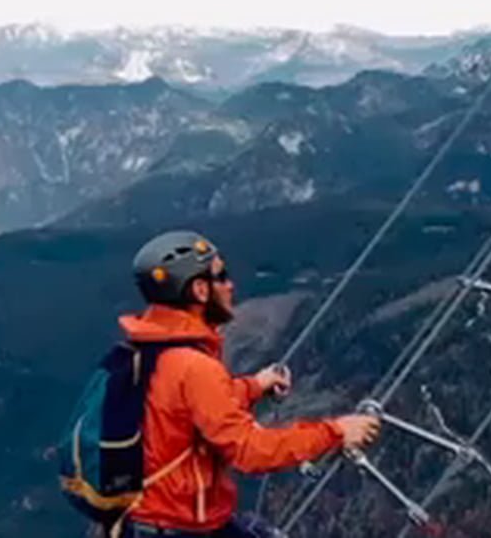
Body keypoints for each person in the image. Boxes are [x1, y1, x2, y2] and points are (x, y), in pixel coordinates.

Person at [119, 230, 380, 537]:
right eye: (221, 276)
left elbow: (183, 409)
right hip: (183, 526)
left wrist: (255, 385)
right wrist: (335, 432)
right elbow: (249, 451)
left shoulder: (149, 346)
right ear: (200, 289)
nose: (231, 286)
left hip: (146, 517)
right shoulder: (194, 367)